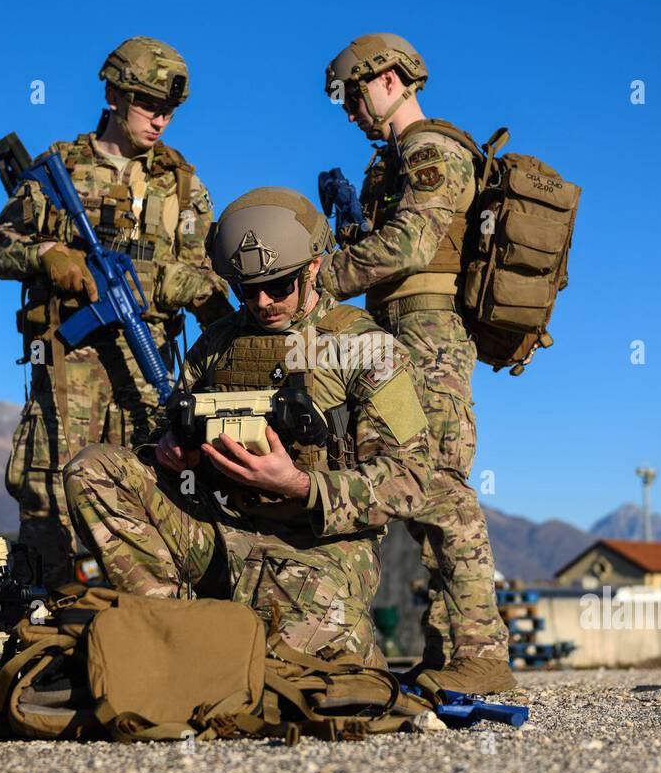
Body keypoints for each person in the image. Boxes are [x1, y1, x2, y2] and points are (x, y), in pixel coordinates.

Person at [64, 188, 432, 663]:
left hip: (315, 548)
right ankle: (170, 627)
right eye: (246, 290)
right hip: (216, 532)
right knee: (93, 470)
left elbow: (411, 479)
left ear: (313, 267)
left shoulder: (366, 349)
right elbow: (168, 422)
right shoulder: (217, 344)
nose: (261, 302)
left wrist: (300, 485)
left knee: (282, 661)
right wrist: (171, 449)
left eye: (278, 286)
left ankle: (212, 643)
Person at [0, 37, 231, 588]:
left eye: (169, 111)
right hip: (69, 368)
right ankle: (49, 618)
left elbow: (204, 277)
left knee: (149, 483)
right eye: (150, 106)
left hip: (146, 365)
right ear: (114, 95)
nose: (161, 121)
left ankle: (148, 617)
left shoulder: (182, 186)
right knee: (46, 489)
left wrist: (168, 283)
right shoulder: (59, 170)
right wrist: (47, 253)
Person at [317, 33, 515, 694]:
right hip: (393, 331)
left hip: (427, 330)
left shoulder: (433, 148)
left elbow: (411, 241)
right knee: (398, 480)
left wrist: (322, 277)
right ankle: (437, 651)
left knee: (439, 487)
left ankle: (482, 653)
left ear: (391, 78)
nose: (351, 113)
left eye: (355, 97)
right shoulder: (392, 159)